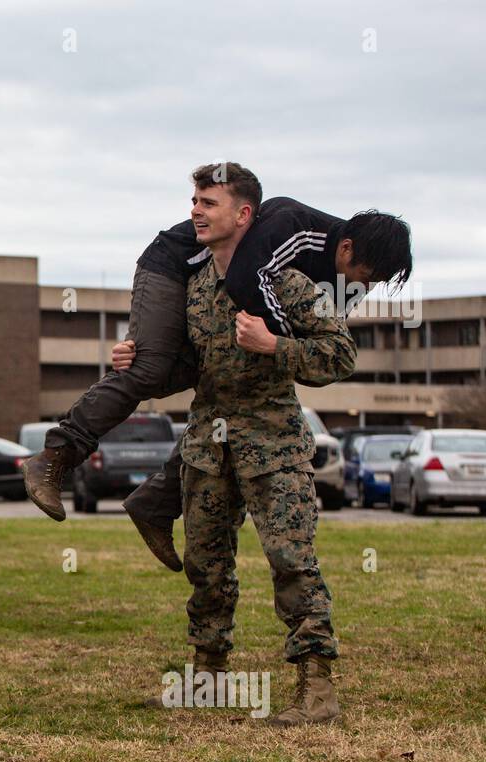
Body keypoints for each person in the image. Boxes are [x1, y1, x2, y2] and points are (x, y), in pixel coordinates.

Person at [22, 186, 412, 572]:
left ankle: (156, 501)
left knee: (222, 384)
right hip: (173, 264)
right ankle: (55, 457)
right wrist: (271, 342)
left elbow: (319, 352)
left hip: (216, 286)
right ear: (346, 249)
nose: (366, 286)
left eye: (376, 282)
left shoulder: (347, 284)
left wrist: (277, 347)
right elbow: (244, 279)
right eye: (367, 275)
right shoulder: (293, 225)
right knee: (148, 368)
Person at [148, 162, 353, 726]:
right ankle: (208, 674)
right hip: (207, 445)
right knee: (206, 563)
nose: (194, 210)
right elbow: (191, 366)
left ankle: (317, 686)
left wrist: (273, 345)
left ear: (243, 214)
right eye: (193, 199)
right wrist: (141, 364)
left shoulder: (285, 282)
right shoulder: (194, 288)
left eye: (207, 202)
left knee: (291, 560)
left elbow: (340, 354)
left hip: (273, 445)